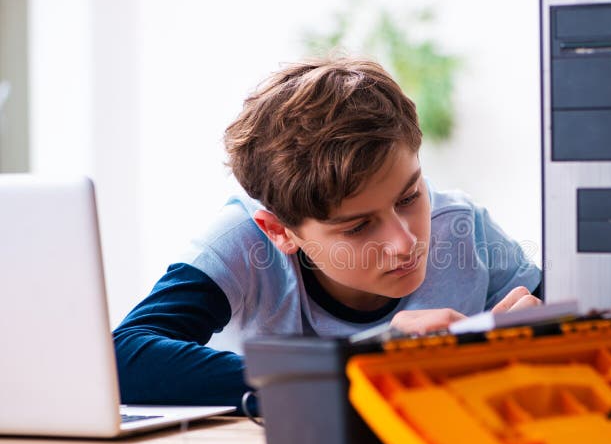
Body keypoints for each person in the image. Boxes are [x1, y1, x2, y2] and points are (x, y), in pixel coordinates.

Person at [113, 57, 542, 412]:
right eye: (357, 226)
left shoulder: (463, 225)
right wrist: (363, 366)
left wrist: (535, 338)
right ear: (280, 231)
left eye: (410, 196)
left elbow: (591, 327)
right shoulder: (241, 242)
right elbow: (124, 358)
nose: (404, 241)